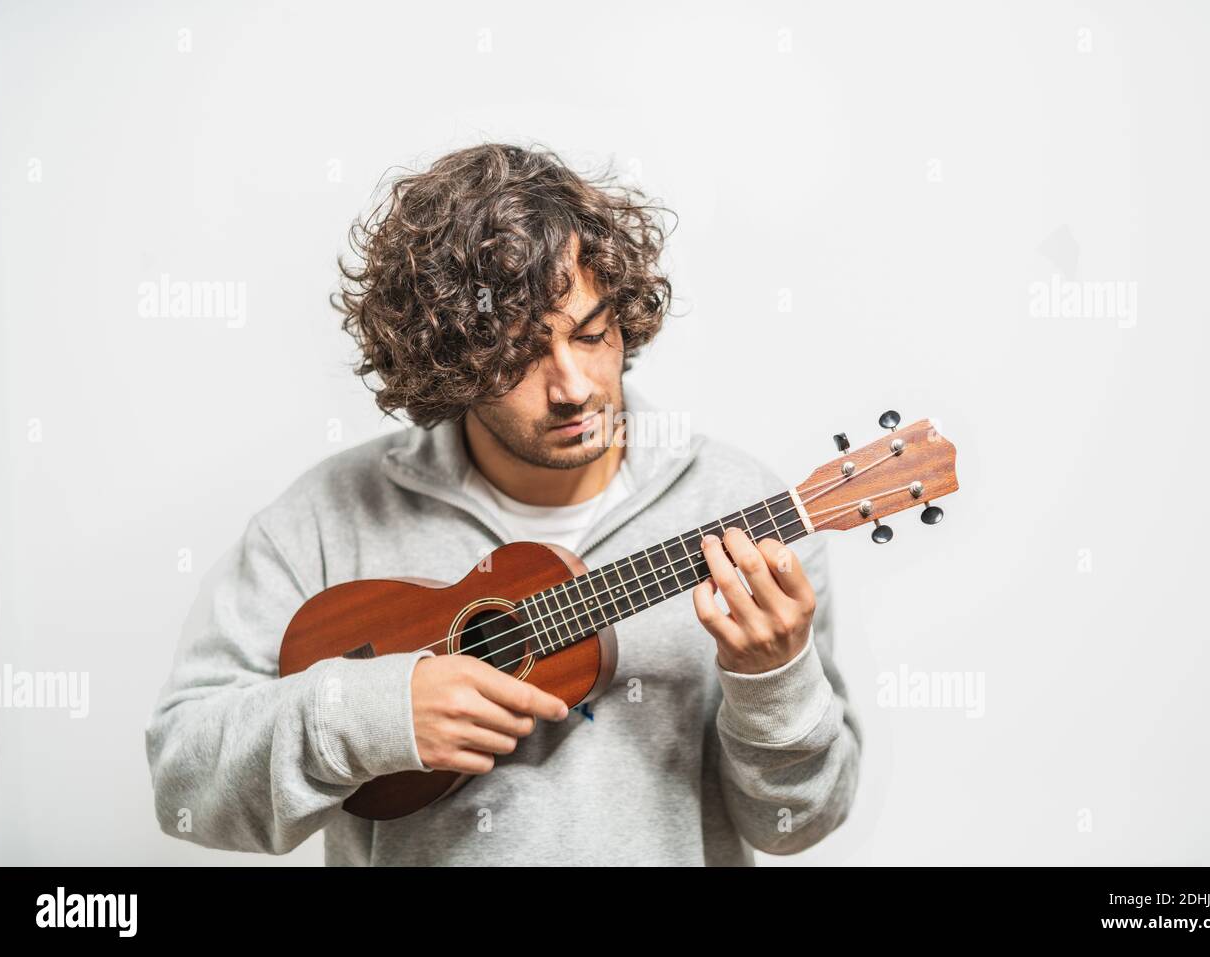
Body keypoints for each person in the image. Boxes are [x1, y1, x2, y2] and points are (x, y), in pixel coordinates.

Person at [145, 142, 862, 865]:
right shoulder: (330, 516)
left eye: (591, 334)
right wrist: (376, 714)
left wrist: (772, 678)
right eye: (519, 354)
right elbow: (183, 777)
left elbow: (794, 826)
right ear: (450, 360)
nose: (574, 385)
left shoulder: (740, 508)